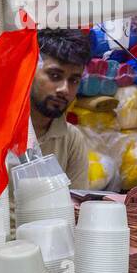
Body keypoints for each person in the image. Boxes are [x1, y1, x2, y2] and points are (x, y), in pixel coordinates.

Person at [29, 29, 90, 190]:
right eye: (55, 76)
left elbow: (77, 204)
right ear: (29, 71)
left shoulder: (72, 139)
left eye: (74, 80)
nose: (64, 89)